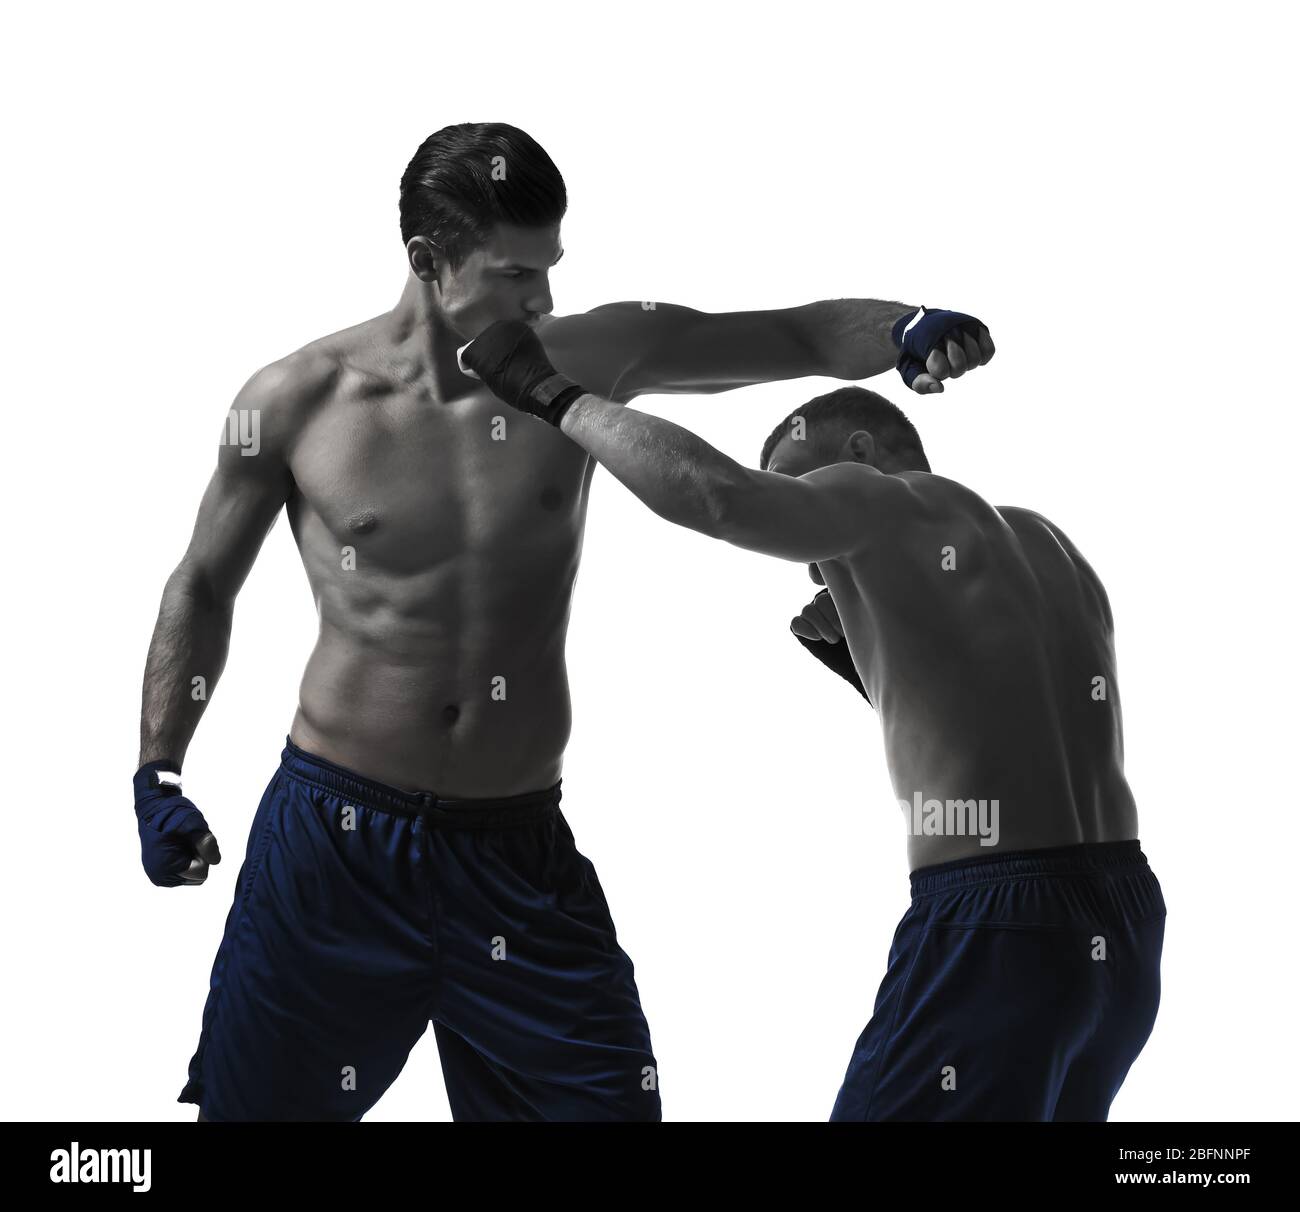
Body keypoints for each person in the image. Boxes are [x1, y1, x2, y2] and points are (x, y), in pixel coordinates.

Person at [133, 121, 996, 1122]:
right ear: (427, 261)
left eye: (550, 269)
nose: (541, 301)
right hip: (335, 850)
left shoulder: (589, 357)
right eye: (513, 277)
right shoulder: (293, 402)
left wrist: (903, 328)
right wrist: (159, 769)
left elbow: (792, 335)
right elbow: (201, 584)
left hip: (515, 853)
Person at [458, 320, 1165, 1121]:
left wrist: (552, 395)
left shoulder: (875, 499)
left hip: (998, 926)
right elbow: (1025, 734)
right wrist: (869, 662)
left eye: (804, 492)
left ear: (860, 451)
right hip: (1124, 928)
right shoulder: (1050, 548)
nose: (815, 556)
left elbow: (716, 496)